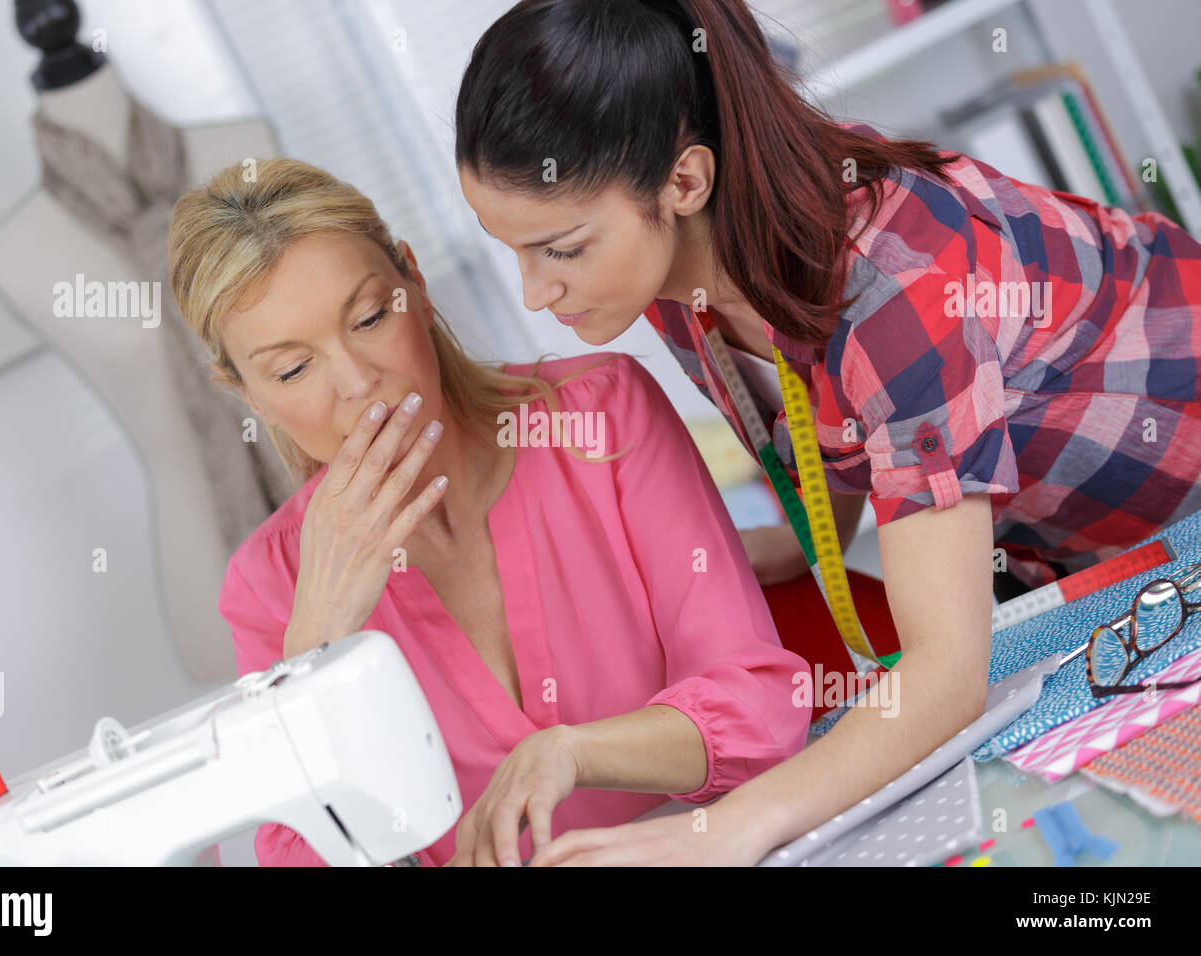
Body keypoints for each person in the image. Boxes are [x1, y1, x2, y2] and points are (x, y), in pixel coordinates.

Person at [453, 0, 1201, 864]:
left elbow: (945, 675)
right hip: (1078, 560)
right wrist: (802, 539)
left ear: (685, 183)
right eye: (512, 249)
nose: (533, 293)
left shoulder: (893, 278)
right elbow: (816, 413)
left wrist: (721, 832)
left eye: (563, 248)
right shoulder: (677, 280)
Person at [166, 157, 812, 867]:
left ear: (413, 279)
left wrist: (572, 753)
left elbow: (761, 707)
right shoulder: (269, 587)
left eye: (372, 316)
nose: (358, 384)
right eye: (291, 370)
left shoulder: (601, 415)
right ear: (248, 396)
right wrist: (315, 654)